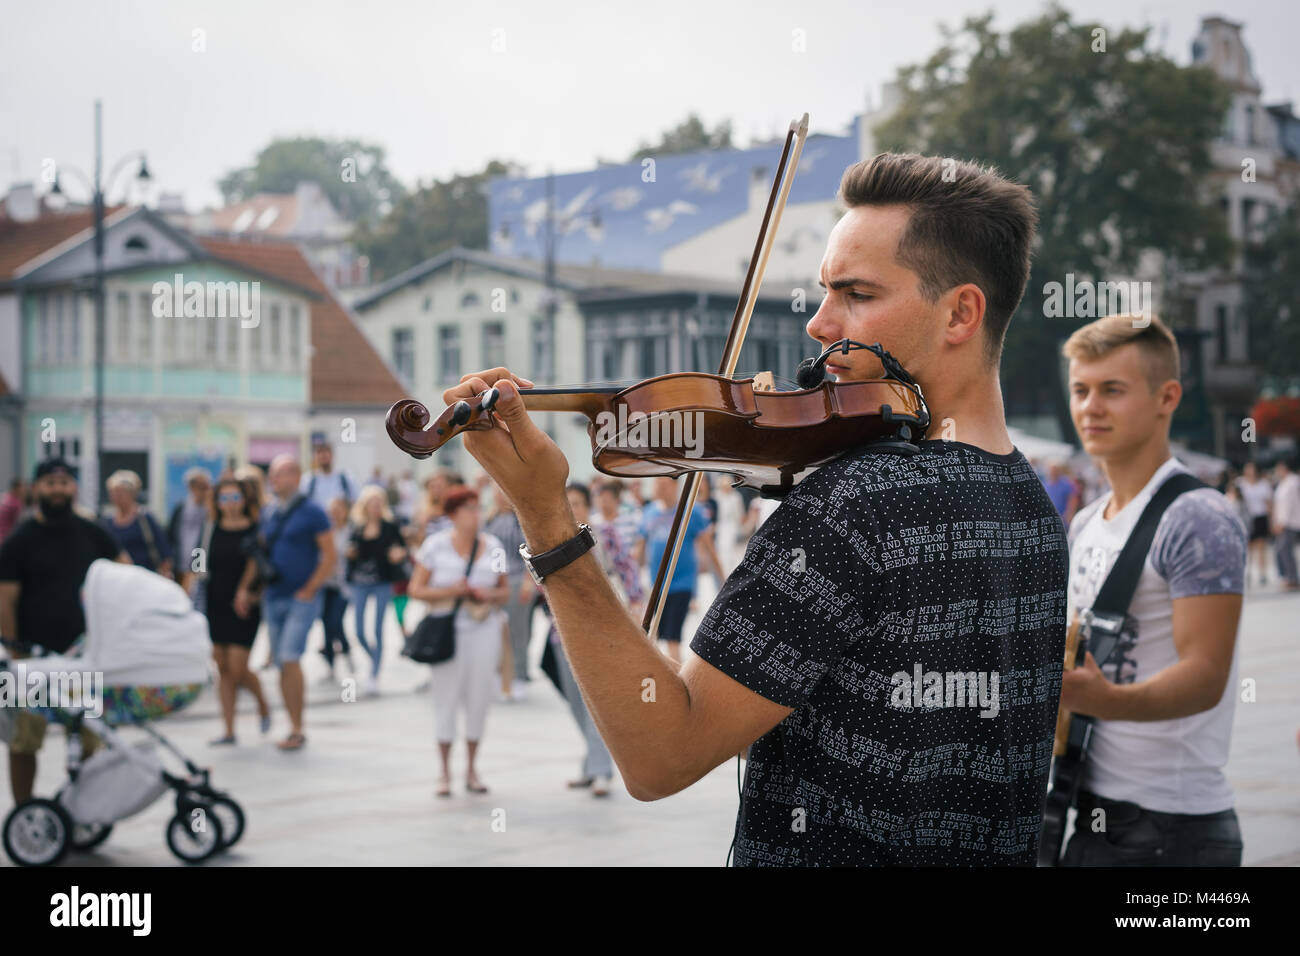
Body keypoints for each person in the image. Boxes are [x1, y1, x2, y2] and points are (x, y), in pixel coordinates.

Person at [442, 153, 1070, 865]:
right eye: (824, 291)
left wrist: (545, 519)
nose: (820, 323)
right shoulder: (1034, 506)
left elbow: (660, 755)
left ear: (961, 311)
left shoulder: (853, 506)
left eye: (856, 294)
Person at [1058, 313, 1248, 866]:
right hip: (1089, 810)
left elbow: (1205, 676)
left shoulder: (1198, 516)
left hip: (1174, 830)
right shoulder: (1087, 521)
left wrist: (1105, 700)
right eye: (1080, 389)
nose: (1091, 407)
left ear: (1168, 397)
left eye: (1112, 390)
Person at [0, 459, 126, 802]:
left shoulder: (93, 532)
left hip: (85, 656)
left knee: (90, 738)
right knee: (22, 741)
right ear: (35, 488)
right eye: (50, 483)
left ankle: (78, 808)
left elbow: (124, 573)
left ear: (74, 488)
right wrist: (15, 652)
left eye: (64, 483)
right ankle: (26, 814)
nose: (57, 489)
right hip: (28, 659)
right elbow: (5, 600)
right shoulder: (18, 541)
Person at [408, 487, 508, 797]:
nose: (475, 514)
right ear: (452, 515)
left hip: (484, 629)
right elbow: (415, 589)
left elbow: (505, 592)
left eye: (478, 508)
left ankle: (472, 769)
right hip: (447, 632)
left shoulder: (493, 546)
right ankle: (444, 773)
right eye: (468, 509)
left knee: (479, 700)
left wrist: (485, 594)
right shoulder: (435, 546)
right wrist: (452, 590)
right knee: (445, 700)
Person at [548, 483, 642, 797]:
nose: (570, 509)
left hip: (599, 633)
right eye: (566, 503)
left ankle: (601, 770)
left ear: (587, 507)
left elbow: (627, 569)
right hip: (561, 633)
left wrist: (637, 608)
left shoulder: (604, 534)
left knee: (593, 704)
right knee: (575, 703)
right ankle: (591, 763)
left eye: (575, 503)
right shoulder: (550, 539)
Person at [261, 453, 335, 751]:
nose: (280, 479)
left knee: (290, 657)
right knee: (281, 662)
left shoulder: (313, 511)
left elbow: (330, 554)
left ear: (297, 477)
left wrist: (311, 588)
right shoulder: (269, 513)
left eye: (288, 472)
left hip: (300, 597)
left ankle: (297, 728)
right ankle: (291, 722)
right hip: (272, 595)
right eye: (277, 474)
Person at [200, 476, 272, 744]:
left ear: (244, 499)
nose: (229, 504)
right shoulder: (210, 528)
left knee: (238, 666)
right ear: (217, 502)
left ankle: (262, 703)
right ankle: (229, 729)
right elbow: (197, 562)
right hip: (215, 602)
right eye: (224, 499)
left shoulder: (256, 529)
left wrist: (248, 593)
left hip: (245, 604)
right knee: (222, 666)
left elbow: (260, 566)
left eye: (234, 498)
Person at [635, 474, 724, 663]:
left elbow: (710, 548)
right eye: (657, 483)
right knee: (654, 636)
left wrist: (723, 579)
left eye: (664, 484)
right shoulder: (649, 512)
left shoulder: (692, 510)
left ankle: (678, 682)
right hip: (656, 585)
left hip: (682, 584)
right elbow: (640, 550)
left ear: (676, 486)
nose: (659, 488)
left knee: (673, 638)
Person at [346, 486, 406, 694]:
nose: (376, 507)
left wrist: (398, 554)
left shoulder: (390, 526)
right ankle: (374, 657)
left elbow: (401, 548)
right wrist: (350, 554)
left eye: (379, 503)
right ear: (365, 506)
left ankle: (374, 673)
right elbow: (351, 549)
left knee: (379, 627)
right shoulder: (357, 527)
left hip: (382, 580)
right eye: (372, 503)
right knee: (359, 630)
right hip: (359, 581)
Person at [483, 482, 533, 701]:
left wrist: (527, 582)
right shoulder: (491, 519)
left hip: (516, 579)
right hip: (496, 582)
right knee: (496, 630)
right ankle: (500, 674)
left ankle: (519, 675)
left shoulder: (520, 519)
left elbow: (529, 551)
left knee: (517, 631)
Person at [102, 470, 173, 577]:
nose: (115, 497)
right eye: (113, 493)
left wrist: (164, 574)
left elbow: (164, 550)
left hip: (146, 577)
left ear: (132, 494)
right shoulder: (107, 520)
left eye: (119, 493)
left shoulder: (145, 518)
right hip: (117, 579)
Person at [320, 497, 356, 683]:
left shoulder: (352, 531)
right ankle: (331, 665)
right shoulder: (324, 531)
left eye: (338, 509)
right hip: (324, 584)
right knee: (326, 623)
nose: (334, 513)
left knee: (335, 621)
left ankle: (347, 651)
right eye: (332, 509)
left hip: (344, 584)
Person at [168, 467, 212, 581]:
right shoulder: (181, 508)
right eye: (202, 487)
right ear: (191, 487)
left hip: (200, 562)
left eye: (207, 487)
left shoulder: (211, 510)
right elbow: (171, 535)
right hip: (180, 563)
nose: (205, 491)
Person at [1236, 461, 1273, 587]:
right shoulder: (1240, 483)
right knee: (1248, 547)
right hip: (1246, 517)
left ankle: (1262, 573)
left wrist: (1272, 519)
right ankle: (1248, 572)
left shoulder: (1263, 484)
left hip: (1260, 517)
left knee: (1261, 547)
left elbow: (1269, 503)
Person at [301, 441, 356, 511]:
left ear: (332, 455)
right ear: (315, 457)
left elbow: (356, 502)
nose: (323, 455)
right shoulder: (307, 480)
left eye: (326, 452)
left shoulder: (347, 478)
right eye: (319, 452)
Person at [1272, 458, 1300, 591]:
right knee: (1281, 550)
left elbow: (1289, 505)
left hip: (1289, 522)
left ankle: (1292, 579)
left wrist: (1282, 522)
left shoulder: (1292, 482)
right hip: (1282, 521)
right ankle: (1287, 577)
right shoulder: (1282, 483)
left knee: (1285, 550)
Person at [1041, 460, 1081, 529]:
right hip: (1050, 520)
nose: (1053, 472)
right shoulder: (1045, 484)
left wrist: (1070, 513)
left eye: (1055, 470)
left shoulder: (1066, 483)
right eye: (1051, 470)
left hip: (1063, 519)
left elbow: (1073, 498)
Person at [0, 477, 27, 545]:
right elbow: (21, 524)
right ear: (17, 488)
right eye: (23, 487)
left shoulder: (4, 496)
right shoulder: (16, 503)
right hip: (6, 540)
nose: (25, 490)